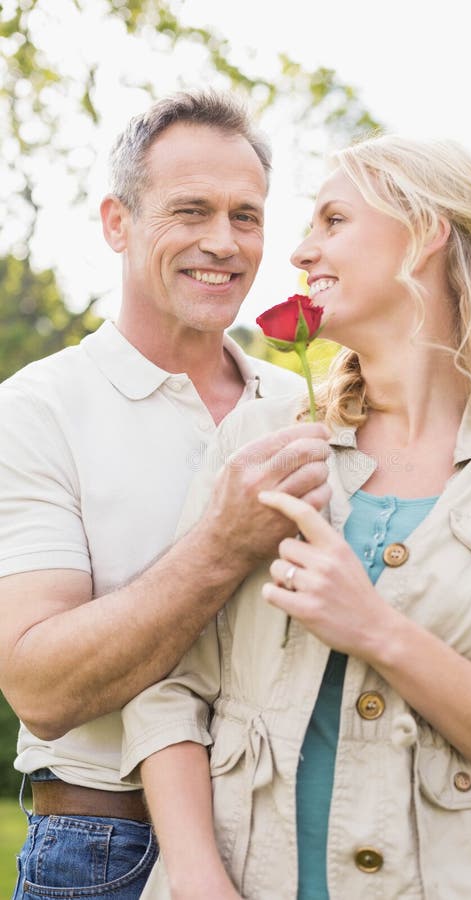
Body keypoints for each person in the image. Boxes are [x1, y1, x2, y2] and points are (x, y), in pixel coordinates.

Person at [122, 132, 471, 900]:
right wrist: (199, 882)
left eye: (333, 220)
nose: (301, 252)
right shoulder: (259, 441)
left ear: (425, 233)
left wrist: (377, 629)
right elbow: (167, 683)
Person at [0, 89, 332, 900]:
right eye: (190, 211)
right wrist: (222, 544)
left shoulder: (307, 408)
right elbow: (40, 689)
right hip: (104, 850)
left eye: (246, 217)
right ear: (117, 222)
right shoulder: (36, 410)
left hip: (297, 835)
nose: (223, 243)